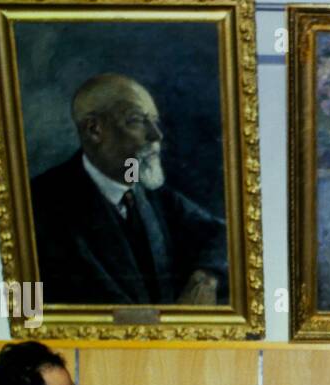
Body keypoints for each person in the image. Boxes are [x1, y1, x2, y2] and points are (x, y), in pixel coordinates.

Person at [29, 73, 228, 306]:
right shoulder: (39, 204)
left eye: (153, 120)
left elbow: (224, 234)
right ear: (94, 130)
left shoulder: (150, 191)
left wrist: (206, 278)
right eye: (136, 120)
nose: (156, 135)